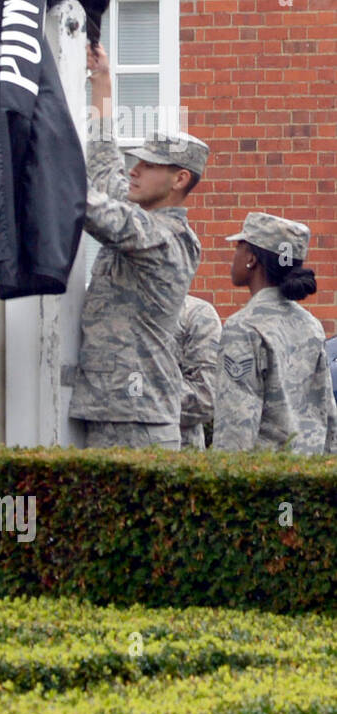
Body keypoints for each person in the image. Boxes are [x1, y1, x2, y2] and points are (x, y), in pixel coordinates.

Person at [68, 43, 208, 449]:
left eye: (148, 165)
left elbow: (97, 211)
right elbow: (102, 168)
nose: (136, 169)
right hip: (110, 411)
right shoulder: (140, 213)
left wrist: (43, 156)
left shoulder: (169, 239)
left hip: (140, 421)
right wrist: (102, 84)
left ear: (179, 179)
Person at [212, 212, 337, 454]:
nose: (234, 254)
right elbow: (328, 413)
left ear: (251, 258)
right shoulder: (311, 325)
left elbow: (236, 426)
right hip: (309, 476)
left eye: (239, 245)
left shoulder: (244, 327)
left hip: (265, 478)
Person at [176, 295, 221, 449]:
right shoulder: (103, 310)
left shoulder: (195, 314)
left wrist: (139, 397)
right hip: (103, 458)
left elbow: (205, 398)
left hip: (174, 458)